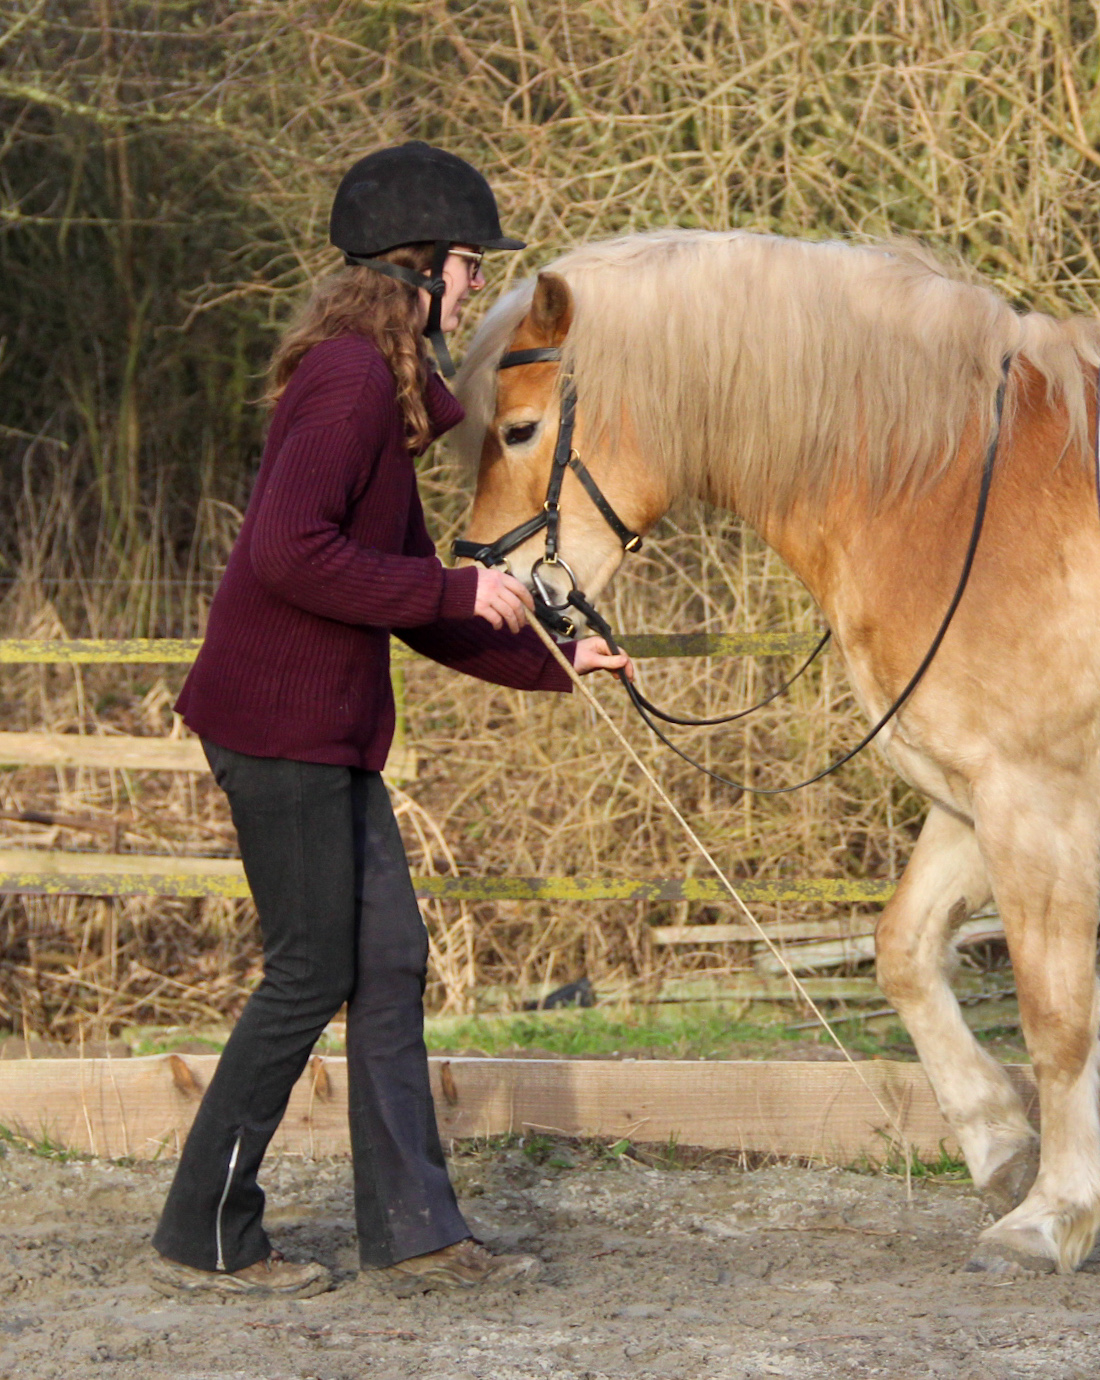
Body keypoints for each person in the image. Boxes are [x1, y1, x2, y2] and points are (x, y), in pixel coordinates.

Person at [146, 142, 627, 1300]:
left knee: (390, 956)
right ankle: (203, 1232)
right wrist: (455, 588)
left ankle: (416, 1234)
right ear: (416, 268)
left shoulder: (381, 389)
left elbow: (414, 599)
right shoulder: (351, 381)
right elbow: (290, 554)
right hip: (277, 728)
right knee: (310, 970)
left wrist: (560, 656)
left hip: (322, 730)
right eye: (467, 263)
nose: (475, 284)